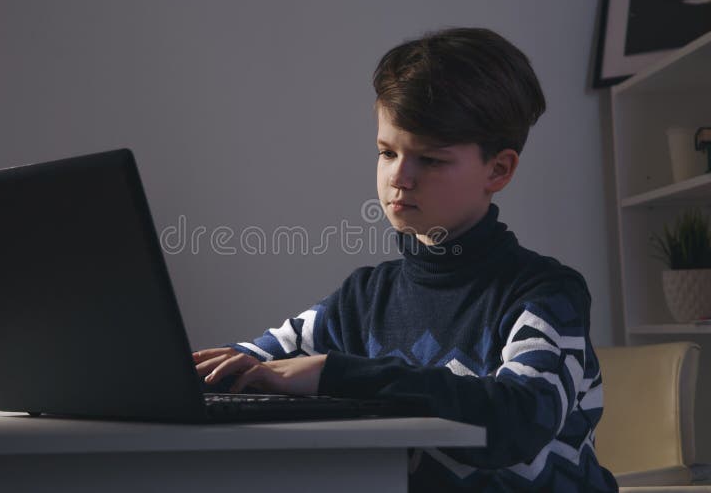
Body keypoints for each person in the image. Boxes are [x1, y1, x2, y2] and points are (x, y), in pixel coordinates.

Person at [192, 27, 619, 492]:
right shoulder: (363, 297)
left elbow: (517, 420)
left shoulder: (546, 294)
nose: (399, 176)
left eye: (430, 160)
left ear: (498, 169)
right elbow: (244, 367)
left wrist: (338, 374)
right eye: (387, 152)